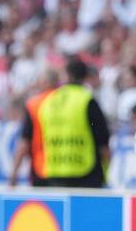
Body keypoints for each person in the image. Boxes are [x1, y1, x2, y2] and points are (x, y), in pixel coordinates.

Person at [10, 58, 110, 188]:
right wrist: (106, 172)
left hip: (50, 168)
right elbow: (103, 143)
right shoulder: (87, 100)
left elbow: (24, 142)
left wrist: (14, 173)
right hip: (84, 170)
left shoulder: (42, 103)